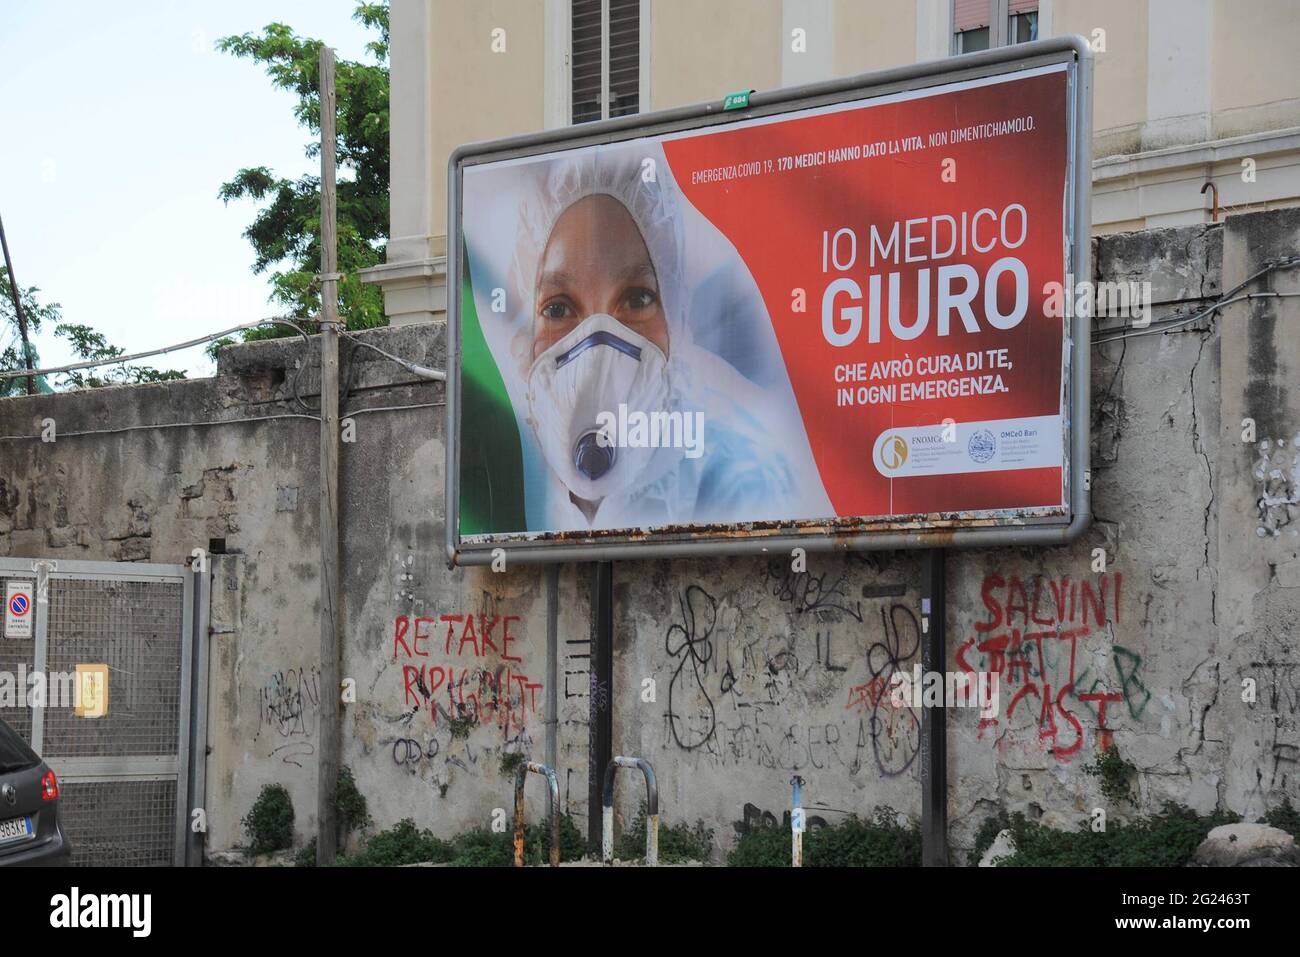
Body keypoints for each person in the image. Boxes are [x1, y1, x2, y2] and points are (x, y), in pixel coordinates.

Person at [494, 142, 829, 532]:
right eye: (558, 309)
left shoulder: (747, 487)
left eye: (637, 299)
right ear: (525, 341)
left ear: (677, 320)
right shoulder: (501, 485)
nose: (597, 350)